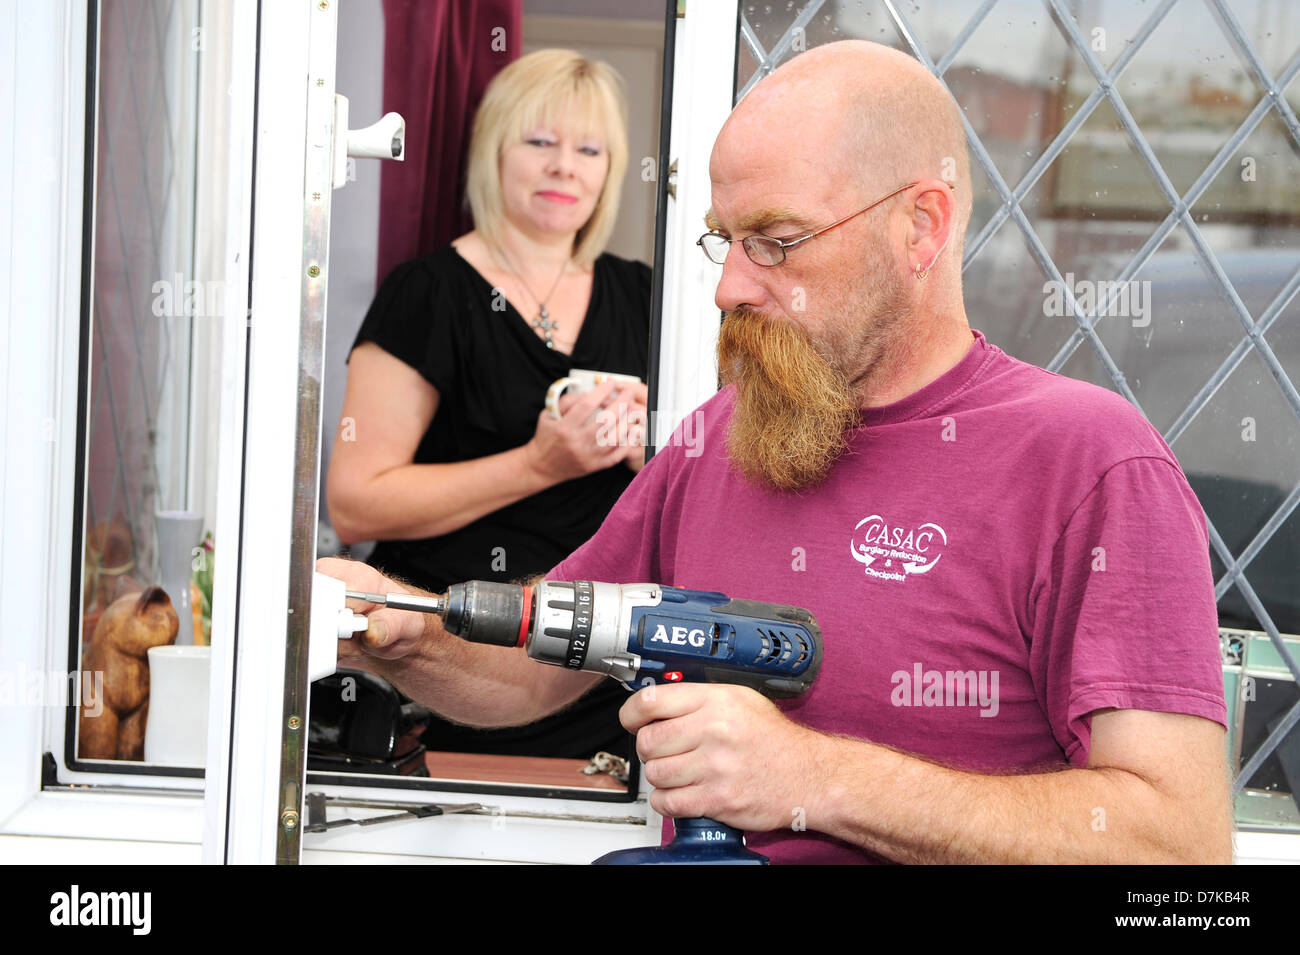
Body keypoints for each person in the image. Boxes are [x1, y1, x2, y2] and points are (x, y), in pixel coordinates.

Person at [321, 40, 1233, 863]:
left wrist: (815, 778)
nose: (727, 287)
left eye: (777, 242)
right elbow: (538, 665)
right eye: (725, 239)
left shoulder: (1091, 462)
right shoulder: (719, 437)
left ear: (921, 226)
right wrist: (396, 625)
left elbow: (1180, 851)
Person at [325, 49, 650, 759]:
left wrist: (649, 446)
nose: (566, 166)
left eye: (589, 148)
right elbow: (353, 503)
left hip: (601, 674)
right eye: (540, 142)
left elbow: (704, 471)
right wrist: (540, 463)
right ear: (493, 150)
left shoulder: (646, 296)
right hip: (443, 664)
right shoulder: (429, 293)